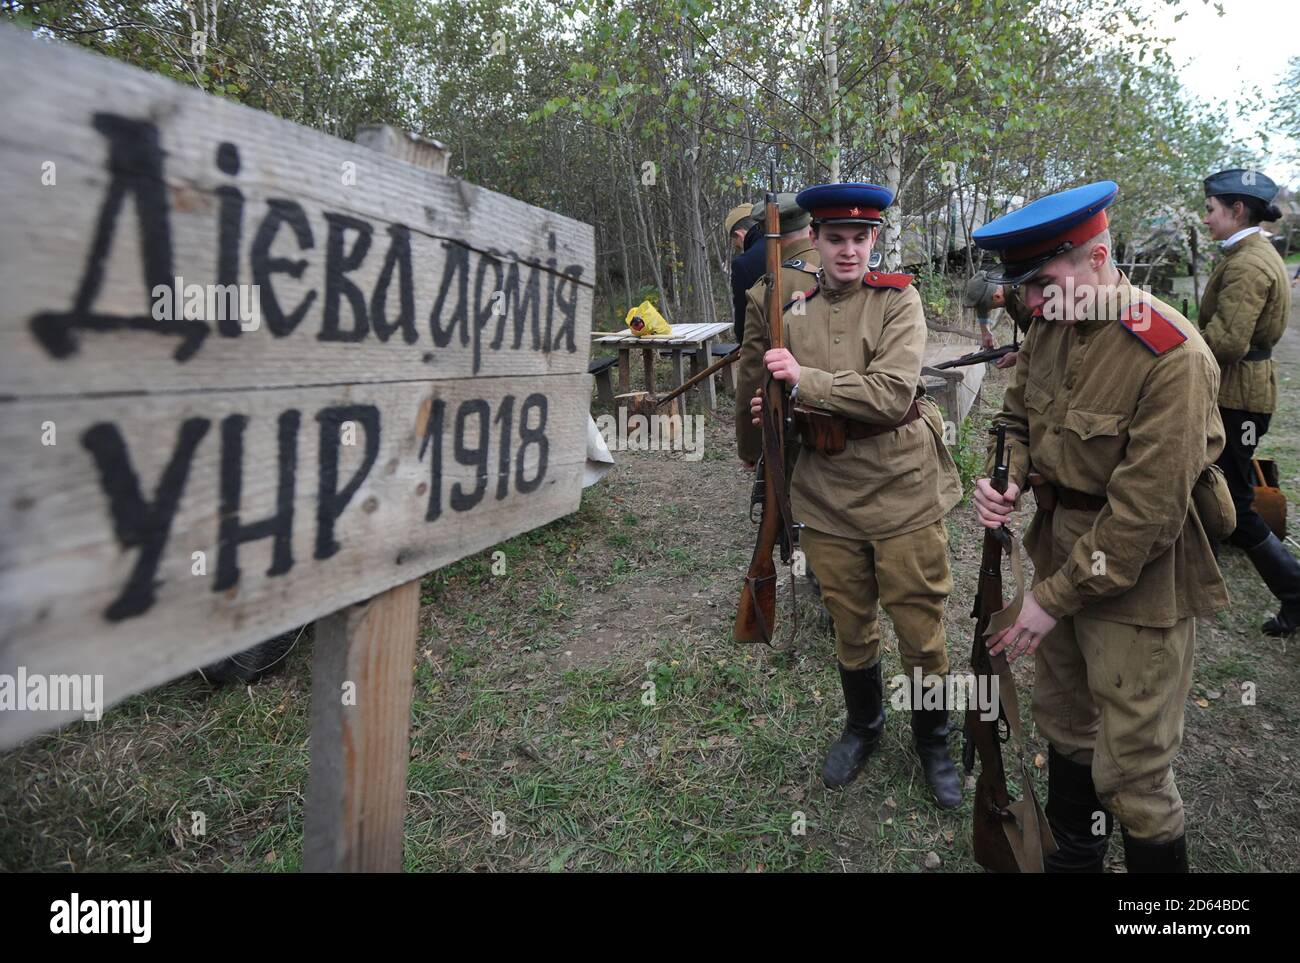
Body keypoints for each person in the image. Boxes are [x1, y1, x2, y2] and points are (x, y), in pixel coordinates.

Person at [971, 180, 1229, 872]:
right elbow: (1016, 419)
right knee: (1066, 726)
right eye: (1021, 286)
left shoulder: (1172, 355)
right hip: (1058, 553)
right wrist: (1010, 475)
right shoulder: (1050, 325)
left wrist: (1048, 602)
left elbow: (1145, 518)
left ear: (1098, 257)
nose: (1030, 302)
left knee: (1136, 773)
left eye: (1042, 280)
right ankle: (1075, 857)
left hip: (1137, 585)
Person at [737, 183, 963, 807]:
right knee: (850, 621)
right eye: (835, 238)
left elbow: (892, 392)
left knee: (919, 627)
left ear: (874, 241)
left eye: (860, 239)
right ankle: (863, 725)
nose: (848, 251)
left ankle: (933, 741)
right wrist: (770, 409)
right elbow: (769, 381)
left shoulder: (899, 301)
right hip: (826, 491)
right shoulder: (792, 305)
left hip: (901, 489)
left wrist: (801, 379)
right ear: (813, 239)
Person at [1199, 168, 1295, 633]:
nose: (1206, 218)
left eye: (1212, 210)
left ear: (1237, 210)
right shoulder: (1249, 253)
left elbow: (1228, 340)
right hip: (1241, 391)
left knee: (1235, 500)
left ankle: (1295, 592)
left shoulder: (1248, 263)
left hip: (1238, 394)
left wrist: (1178, 348)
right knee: (1209, 477)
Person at [963, 270, 1031, 368]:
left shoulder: (1024, 302)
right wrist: (985, 332)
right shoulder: (1007, 284)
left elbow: (1045, 341)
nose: (987, 309)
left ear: (997, 297)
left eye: (991, 306)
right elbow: (983, 306)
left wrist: (1018, 356)